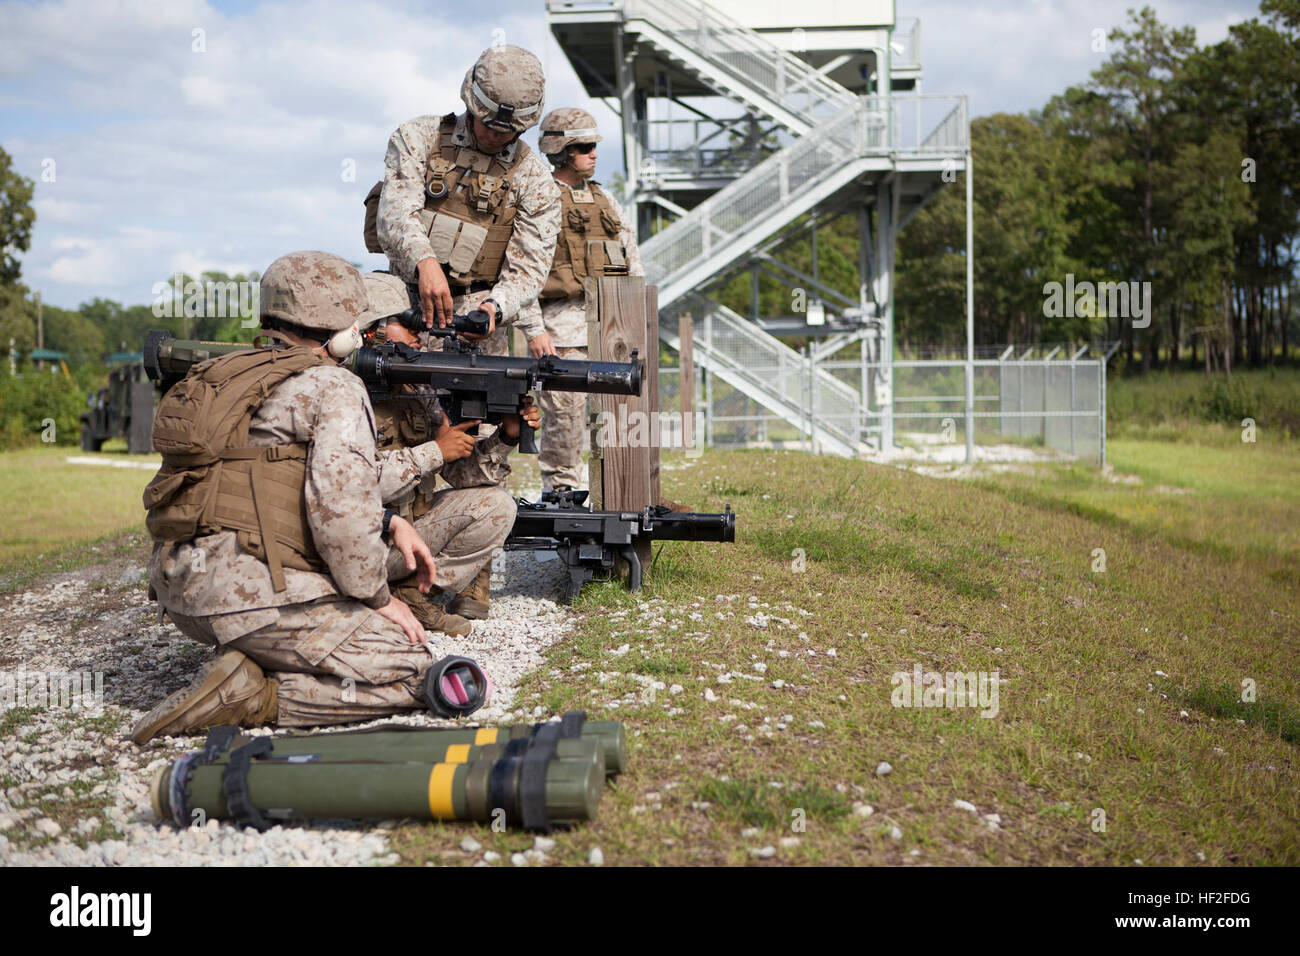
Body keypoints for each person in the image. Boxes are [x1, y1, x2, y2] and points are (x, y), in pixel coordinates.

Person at [131, 251, 458, 745]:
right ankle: (254, 696)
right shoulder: (333, 385)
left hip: (180, 592)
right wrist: (377, 597)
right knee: (415, 668)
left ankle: (251, 653)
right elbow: (342, 517)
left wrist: (388, 523)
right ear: (345, 332)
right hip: (245, 600)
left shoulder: (226, 371)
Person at [362, 272, 535, 626]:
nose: (417, 337)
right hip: (357, 544)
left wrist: (506, 437)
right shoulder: (344, 391)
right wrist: (435, 452)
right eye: (406, 325)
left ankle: (416, 593)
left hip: (406, 538)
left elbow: (461, 475)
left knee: (496, 505)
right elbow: (353, 488)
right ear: (371, 330)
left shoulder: (415, 389)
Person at [368, 45, 560, 360]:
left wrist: (495, 309)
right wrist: (425, 263)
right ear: (471, 102)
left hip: (476, 320)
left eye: (508, 131)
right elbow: (396, 215)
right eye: (488, 123)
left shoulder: (535, 179)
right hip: (402, 307)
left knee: (477, 410)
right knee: (395, 407)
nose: (495, 136)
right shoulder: (418, 137)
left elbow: (530, 267)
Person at [527, 107, 642, 495]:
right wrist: (534, 329)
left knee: (612, 422)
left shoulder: (603, 197)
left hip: (609, 330)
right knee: (565, 422)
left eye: (594, 147)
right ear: (561, 150)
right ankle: (563, 499)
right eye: (585, 147)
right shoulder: (540, 198)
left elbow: (630, 256)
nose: (594, 154)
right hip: (560, 334)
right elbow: (522, 269)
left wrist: (635, 317)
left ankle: (613, 496)